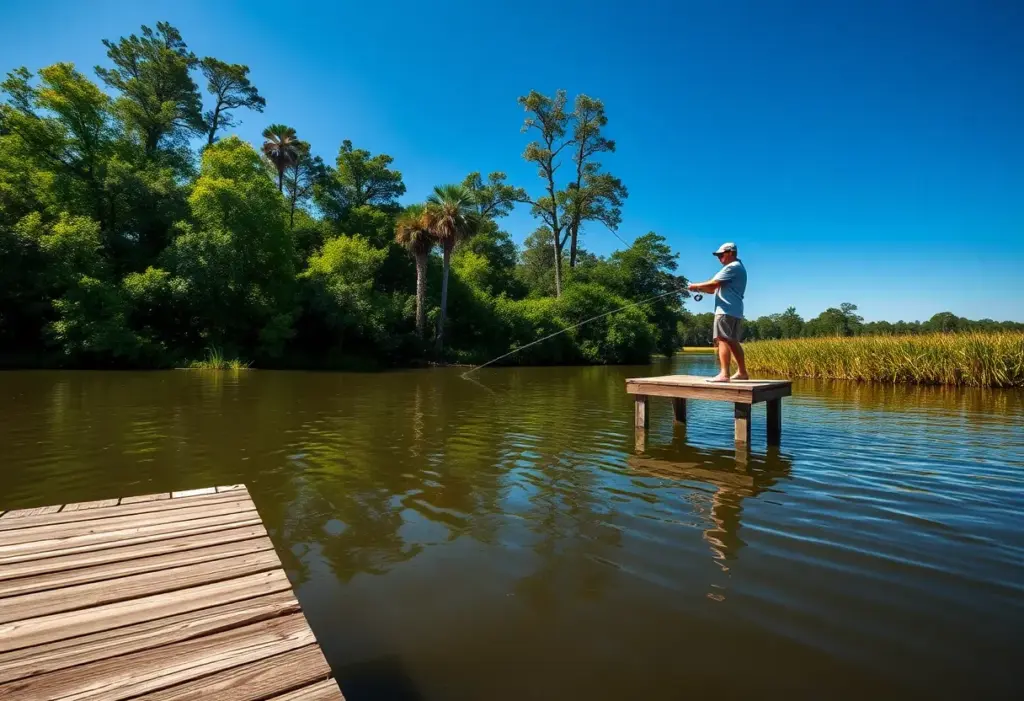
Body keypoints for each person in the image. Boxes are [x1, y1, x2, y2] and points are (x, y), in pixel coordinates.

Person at [688, 242, 748, 382]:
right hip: (736, 310)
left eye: (721, 255)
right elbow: (711, 289)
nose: (719, 257)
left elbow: (712, 285)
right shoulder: (739, 267)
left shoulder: (731, 267)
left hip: (725, 310)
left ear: (731, 253)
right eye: (718, 255)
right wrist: (696, 288)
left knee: (722, 339)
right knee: (733, 341)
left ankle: (724, 374)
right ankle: (742, 373)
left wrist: (695, 286)